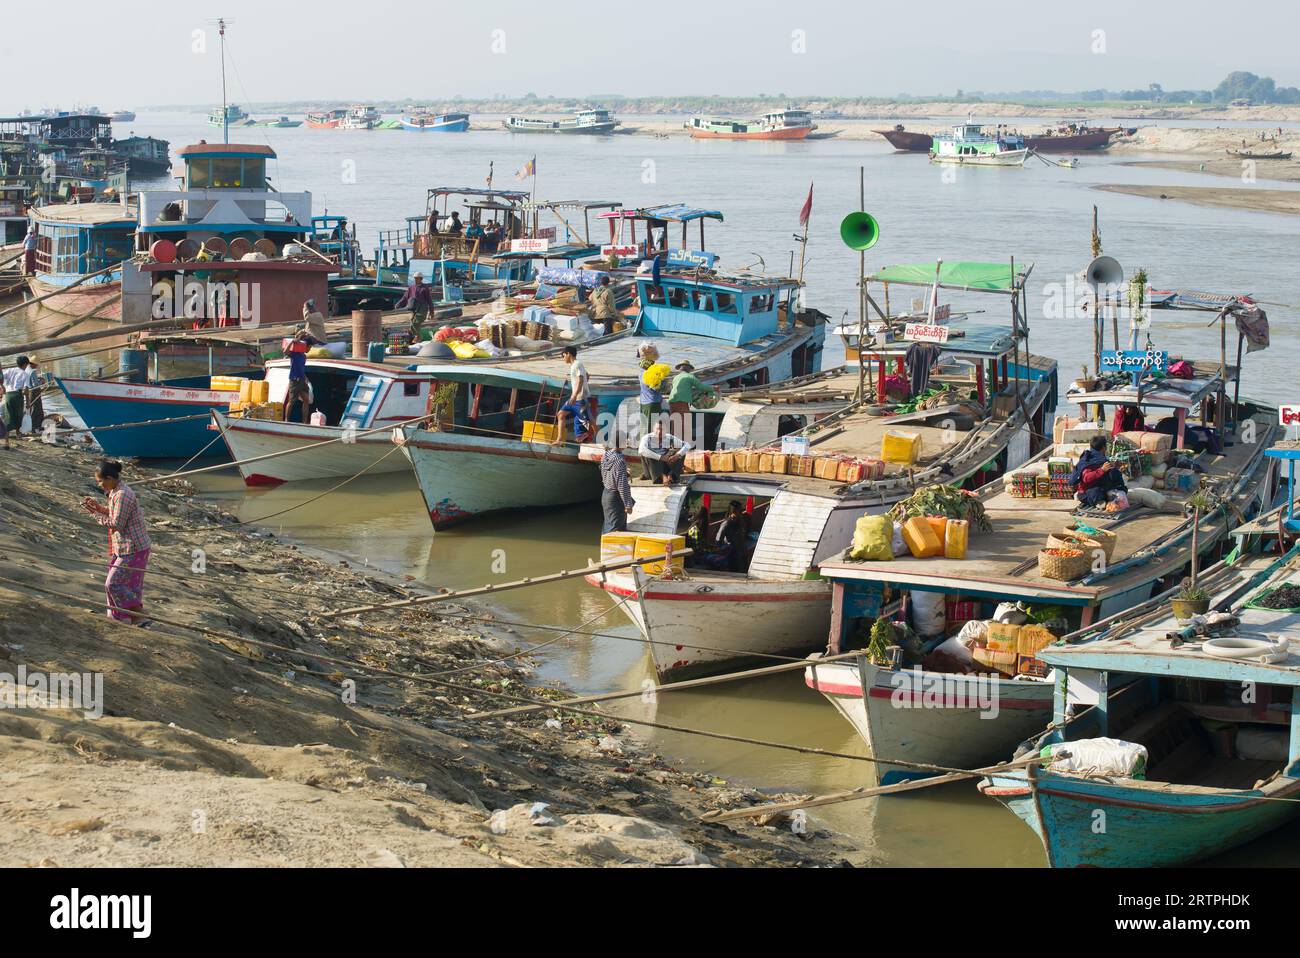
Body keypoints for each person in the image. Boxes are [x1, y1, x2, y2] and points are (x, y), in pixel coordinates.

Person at [81, 459, 151, 625]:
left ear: (110, 478)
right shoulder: (115, 492)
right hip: (124, 547)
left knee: (113, 584)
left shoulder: (122, 495)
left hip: (133, 548)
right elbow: (115, 514)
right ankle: (125, 618)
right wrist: (98, 508)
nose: (99, 485)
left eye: (100, 481)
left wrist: (96, 515)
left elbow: (116, 523)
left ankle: (139, 614)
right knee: (129, 584)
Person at [666, 361, 718, 444]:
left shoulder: (676, 377)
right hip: (682, 401)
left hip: (672, 401)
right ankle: (682, 444)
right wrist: (713, 388)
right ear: (689, 369)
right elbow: (701, 387)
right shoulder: (690, 376)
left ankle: (673, 443)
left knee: (675, 422)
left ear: (680, 368)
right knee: (685, 421)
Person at [1070, 435, 1127, 508]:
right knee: (1096, 492)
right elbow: (1086, 478)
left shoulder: (1101, 459)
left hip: (1100, 486)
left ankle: (1114, 495)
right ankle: (1100, 501)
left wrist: (1114, 467)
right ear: (1103, 448)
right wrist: (1101, 470)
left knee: (1114, 473)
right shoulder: (1088, 460)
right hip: (1087, 491)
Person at [554, 345, 592, 443]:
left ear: (568, 354)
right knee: (561, 414)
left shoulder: (577, 364)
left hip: (579, 398)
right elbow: (587, 375)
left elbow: (581, 379)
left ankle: (600, 442)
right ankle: (560, 439)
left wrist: (575, 394)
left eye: (564, 356)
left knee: (590, 421)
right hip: (575, 398)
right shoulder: (575, 365)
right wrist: (583, 387)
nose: (563, 358)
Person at [638, 419, 692, 485]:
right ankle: (661, 477)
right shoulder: (646, 438)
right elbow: (641, 450)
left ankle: (671, 476)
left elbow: (687, 445)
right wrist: (661, 457)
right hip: (651, 470)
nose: (659, 432)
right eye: (657, 429)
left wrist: (677, 455)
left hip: (664, 466)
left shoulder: (668, 437)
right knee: (647, 454)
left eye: (662, 429)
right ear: (653, 429)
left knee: (681, 453)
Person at [599, 437, 635, 533]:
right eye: (626, 441)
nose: (627, 444)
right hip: (615, 498)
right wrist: (628, 504)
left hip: (606, 494)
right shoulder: (619, 460)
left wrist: (624, 472)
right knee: (616, 528)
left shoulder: (606, 455)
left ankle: (605, 547)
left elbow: (606, 473)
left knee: (608, 525)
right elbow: (622, 484)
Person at [282, 328, 318, 424]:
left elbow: (301, 368)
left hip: (302, 380)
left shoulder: (304, 356)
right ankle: (286, 420)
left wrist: (305, 377)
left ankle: (304, 421)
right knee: (291, 401)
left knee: (306, 400)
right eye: (310, 347)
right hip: (294, 380)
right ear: (306, 346)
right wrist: (293, 342)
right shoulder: (295, 353)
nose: (310, 349)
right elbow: (285, 352)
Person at [2, 355, 34, 437]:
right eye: (27, 365)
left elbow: (1, 377)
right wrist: (28, 402)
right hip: (17, 395)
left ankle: (7, 435)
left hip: (8, 395)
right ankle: (18, 433)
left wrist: (2, 387)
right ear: (25, 364)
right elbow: (26, 390)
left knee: (8, 415)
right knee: (18, 415)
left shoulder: (9, 370)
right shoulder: (25, 374)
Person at [395, 272, 434, 340]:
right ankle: (414, 338)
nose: (415, 279)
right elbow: (405, 297)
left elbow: (429, 300)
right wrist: (398, 304)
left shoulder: (425, 288)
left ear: (421, 279)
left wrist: (431, 312)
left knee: (415, 323)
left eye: (417, 278)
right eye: (415, 278)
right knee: (412, 324)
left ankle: (419, 338)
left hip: (422, 308)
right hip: (414, 309)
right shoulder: (411, 288)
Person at [715, 500, 750, 573]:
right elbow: (719, 537)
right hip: (731, 552)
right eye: (740, 510)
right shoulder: (727, 522)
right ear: (735, 511)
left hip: (740, 550)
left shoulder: (740, 521)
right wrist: (719, 548)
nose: (741, 512)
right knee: (733, 570)